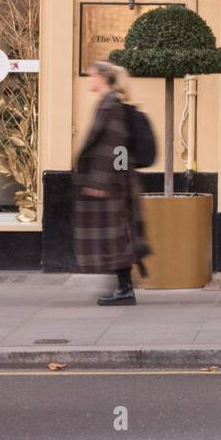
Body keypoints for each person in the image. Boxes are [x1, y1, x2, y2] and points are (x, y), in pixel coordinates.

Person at [74, 61, 151, 306]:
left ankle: (125, 289)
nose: (90, 79)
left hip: (113, 183)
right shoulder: (108, 104)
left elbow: (117, 147)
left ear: (104, 78)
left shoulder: (112, 105)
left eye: (93, 76)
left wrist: (107, 182)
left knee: (117, 235)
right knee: (115, 235)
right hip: (111, 180)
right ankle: (122, 286)